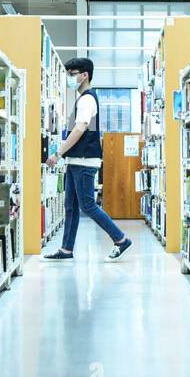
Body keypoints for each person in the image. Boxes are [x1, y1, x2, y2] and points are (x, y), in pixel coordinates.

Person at [43, 57, 133, 262]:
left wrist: (58, 153)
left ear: (84, 75)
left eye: (72, 74)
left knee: (87, 205)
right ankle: (66, 249)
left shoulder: (87, 99)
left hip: (84, 161)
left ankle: (120, 239)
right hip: (77, 161)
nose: (69, 78)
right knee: (71, 206)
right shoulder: (83, 98)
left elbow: (80, 128)